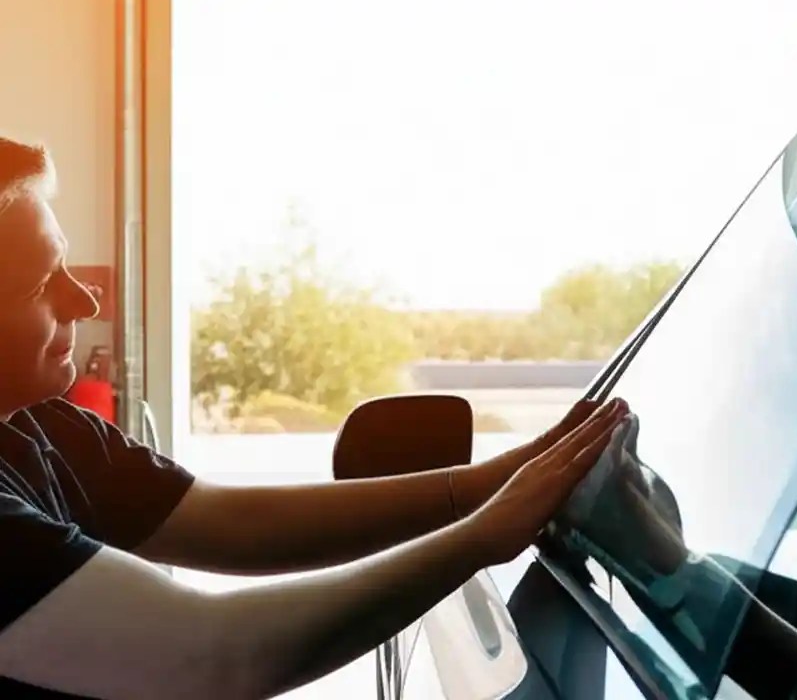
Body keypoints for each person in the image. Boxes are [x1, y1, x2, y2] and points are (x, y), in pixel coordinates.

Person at [0, 135, 628, 699]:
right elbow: (213, 656)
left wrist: (492, 482)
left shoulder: (39, 426)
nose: (83, 299)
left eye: (69, 268)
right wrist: (481, 539)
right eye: (39, 285)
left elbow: (230, 523)